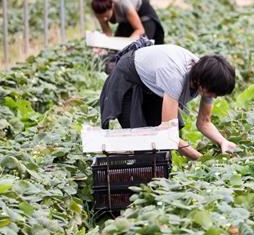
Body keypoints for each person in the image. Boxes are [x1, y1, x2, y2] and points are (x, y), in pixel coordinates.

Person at [98, 42, 237, 160]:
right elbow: (167, 134)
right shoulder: (175, 77)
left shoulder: (207, 78)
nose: (214, 96)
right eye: (213, 93)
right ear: (200, 81)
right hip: (129, 77)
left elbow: (204, 122)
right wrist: (202, 159)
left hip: (153, 85)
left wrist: (223, 141)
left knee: (162, 148)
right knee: (144, 143)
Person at [92, 0, 165, 44]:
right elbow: (107, 33)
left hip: (143, 13)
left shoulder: (122, 1)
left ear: (112, 6)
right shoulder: (99, 7)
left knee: (142, 46)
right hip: (126, 18)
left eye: (107, 16)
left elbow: (140, 30)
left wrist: (128, 45)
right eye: (100, 18)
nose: (104, 19)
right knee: (116, 48)